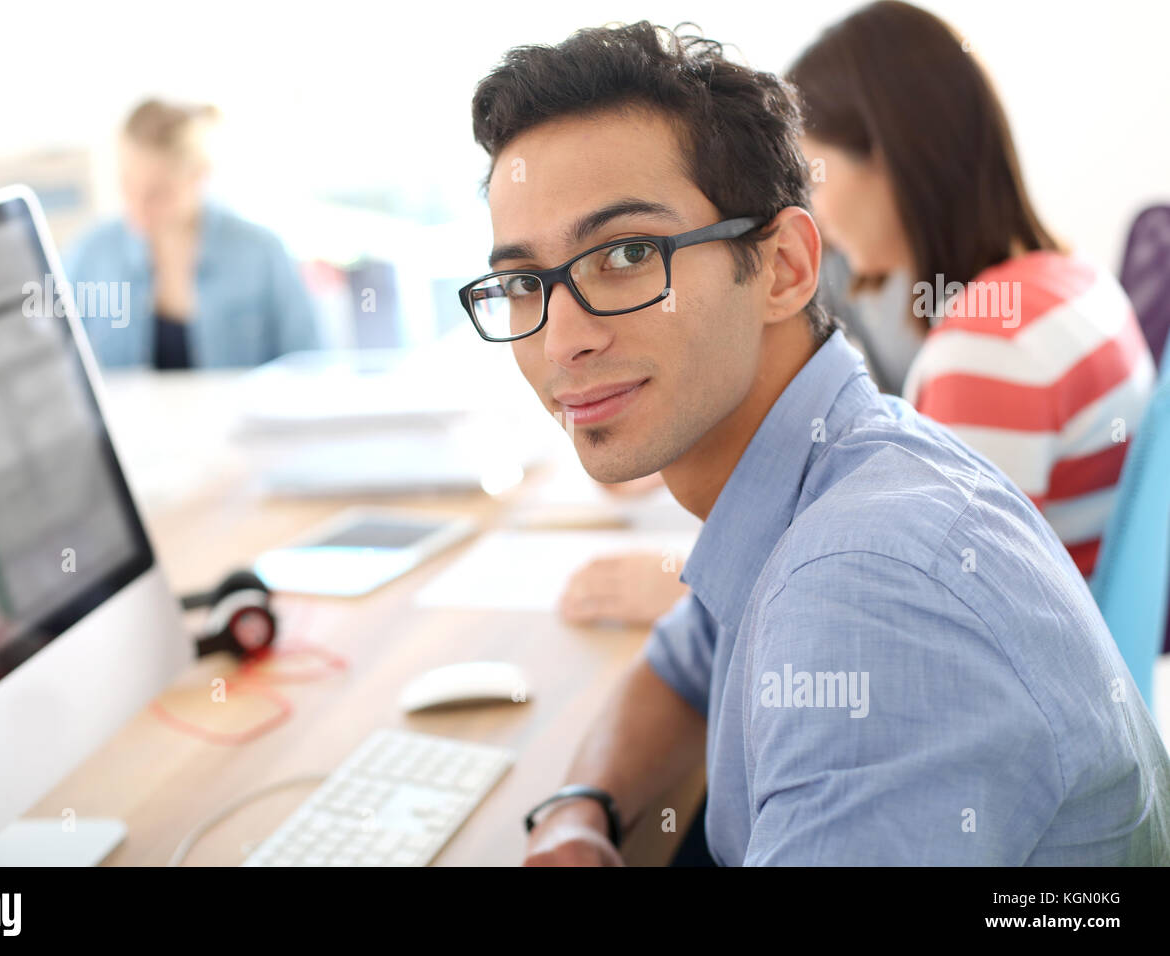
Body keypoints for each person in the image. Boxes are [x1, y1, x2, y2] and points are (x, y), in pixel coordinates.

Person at [459, 21, 1169, 865]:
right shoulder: (807, 476)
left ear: (786, 268)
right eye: (521, 283)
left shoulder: (864, 589)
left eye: (628, 254)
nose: (560, 339)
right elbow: (683, 669)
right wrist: (578, 811)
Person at [788, 1, 1155, 578]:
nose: (812, 210)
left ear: (885, 156)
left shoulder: (987, 347)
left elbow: (920, 595)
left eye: (815, 173)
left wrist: (705, 593)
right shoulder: (1074, 280)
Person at [64, 99, 320, 369]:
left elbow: (309, 365)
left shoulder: (263, 254)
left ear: (199, 176)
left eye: (158, 193)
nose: (137, 207)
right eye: (128, 185)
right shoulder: (91, 254)